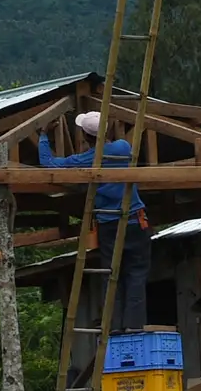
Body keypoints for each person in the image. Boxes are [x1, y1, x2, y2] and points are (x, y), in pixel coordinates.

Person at [37, 111, 152, 333]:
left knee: (112, 275)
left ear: (85, 138)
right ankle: (134, 326)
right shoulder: (123, 148)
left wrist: (43, 135)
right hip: (136, 221)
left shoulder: (87, 159)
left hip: (109, 224)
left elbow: (49, 164)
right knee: (136, 273)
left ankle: (115, 326)